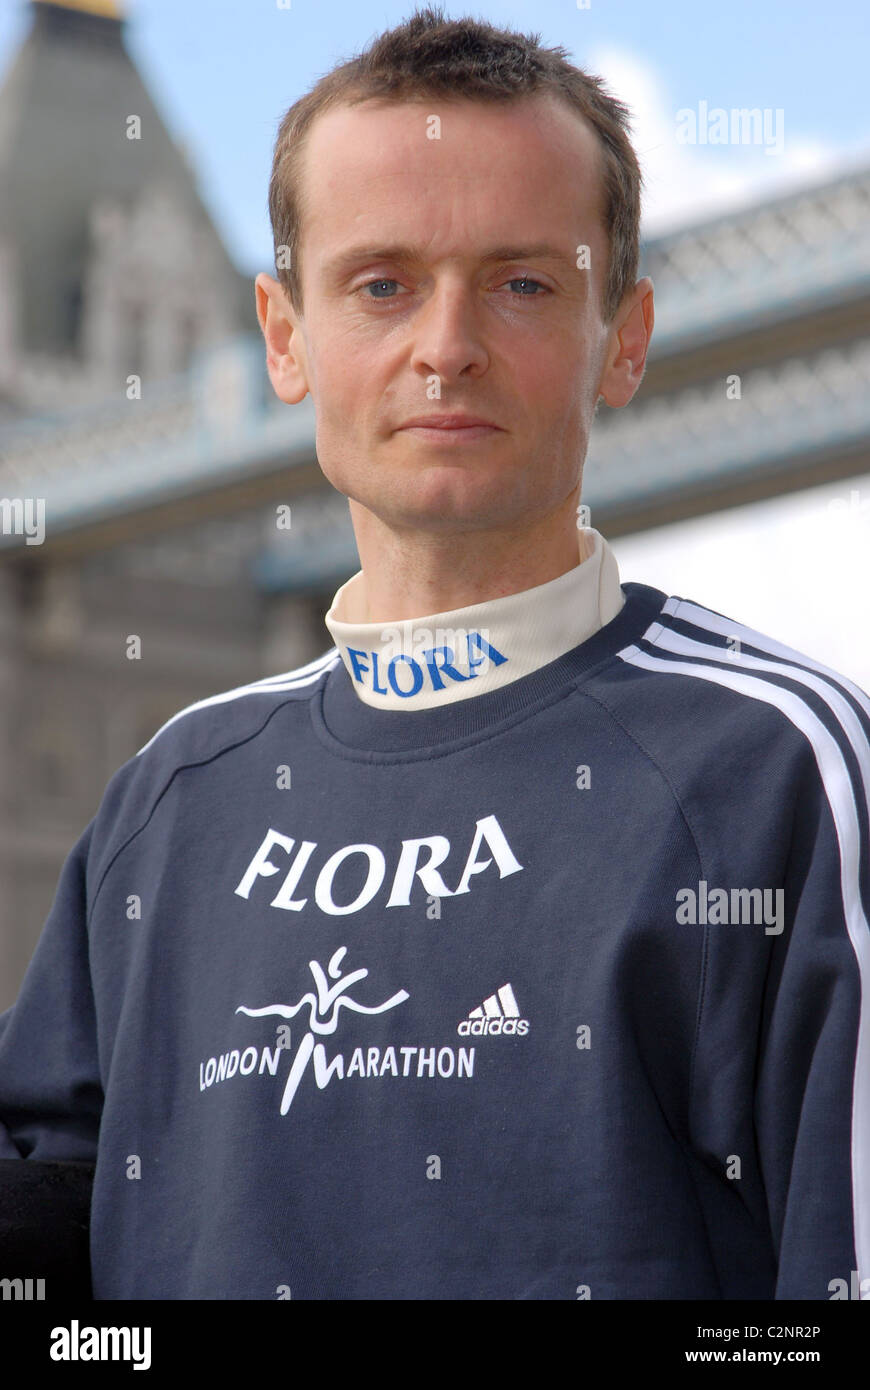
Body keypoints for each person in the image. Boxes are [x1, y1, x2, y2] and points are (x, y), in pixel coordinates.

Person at [1, 5, 868, 1301]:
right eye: (380, 283)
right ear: (283, 337)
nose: (445, 345)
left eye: (522, 282)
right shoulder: (167, 796)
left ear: (622, 336)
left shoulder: (782, 768)